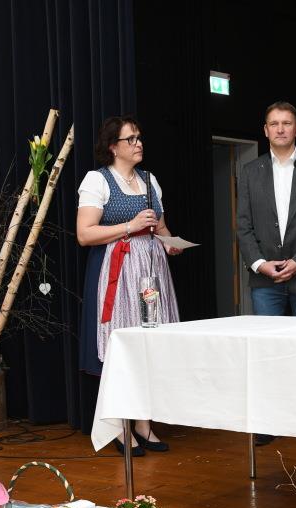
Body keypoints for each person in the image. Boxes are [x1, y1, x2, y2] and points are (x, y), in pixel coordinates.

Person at [77, 115, 181, 456]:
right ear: (113, 147)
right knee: (123, 346)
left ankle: (144, 424)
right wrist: (129, 225)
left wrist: (170, 242)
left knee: (151, 345)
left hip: (150, 271)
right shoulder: (98, 180)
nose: (138, 144)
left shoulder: (150, 180)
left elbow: (161, 227)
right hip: (117, 270)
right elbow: (85, 234)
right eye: (130, 139)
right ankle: (120, 427)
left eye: (139, 137)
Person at [236, 101, 296, 447]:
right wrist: (259, 263)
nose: (280, 129)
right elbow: (243, 226)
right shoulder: (248, 172)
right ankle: (270, 421)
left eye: (287, 123)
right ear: (265, 130)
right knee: (269, 354)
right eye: (274, 123)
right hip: (264, 278)